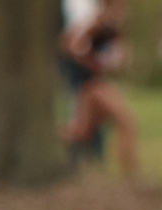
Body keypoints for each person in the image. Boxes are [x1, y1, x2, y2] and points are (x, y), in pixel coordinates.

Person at [60, 0, 140, 178]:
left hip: (96, 83)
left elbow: (114, 56)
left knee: (81, 131)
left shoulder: (112, 27)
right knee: (126, 122)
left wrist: (115, 60)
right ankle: (133, 177)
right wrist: (93, 63)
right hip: (91, 85)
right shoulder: (97, 24)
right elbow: (71, 45)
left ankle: (46, 138)